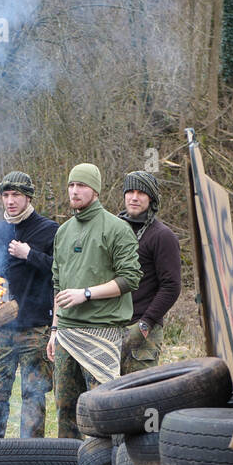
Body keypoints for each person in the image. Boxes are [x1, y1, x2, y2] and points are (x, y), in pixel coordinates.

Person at [48, 163, 141, 438]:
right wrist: (54, 330)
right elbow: (57, 284)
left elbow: (130, 279)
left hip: (101, 331)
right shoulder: (63, 231)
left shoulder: (116, 228)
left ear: (96, 191)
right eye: (71, 185)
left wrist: (86, 293)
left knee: (101, 411)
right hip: (65, 333)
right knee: (65, 409)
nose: (75, 191)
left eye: (82, 186)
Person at [0, 172, 58, 437]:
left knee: (34, 397)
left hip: (35, 327)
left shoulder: (49, 229)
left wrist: (30, 255)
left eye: (16, 195)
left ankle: (31, 458)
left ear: (28, 197)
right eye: (5, 195)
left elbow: (60, 271)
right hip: (2, 328)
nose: (10, 201)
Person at [117, 171, 180, 375]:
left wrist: (146, 323)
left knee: (137, 397)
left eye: (141, 193)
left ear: (151, 198)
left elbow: (171, 286)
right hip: (110, 326)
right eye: (130, 192)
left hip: (142, 330)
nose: (134, 197)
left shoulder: (162, 236)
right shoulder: (114, 229)